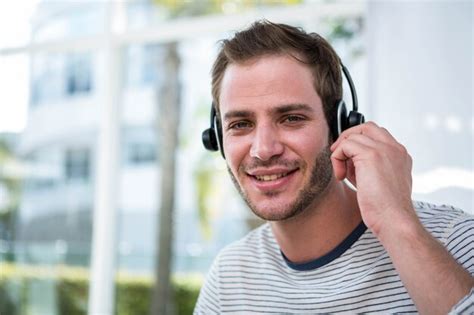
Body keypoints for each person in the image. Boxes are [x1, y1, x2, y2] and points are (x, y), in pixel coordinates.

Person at [194, 20, 473, 314]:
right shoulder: (229, 278)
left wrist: (396, 222)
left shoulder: (457, 241)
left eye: (291, 118)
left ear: (339, 126)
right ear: (218, 138)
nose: (263, 150)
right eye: (240, 124)